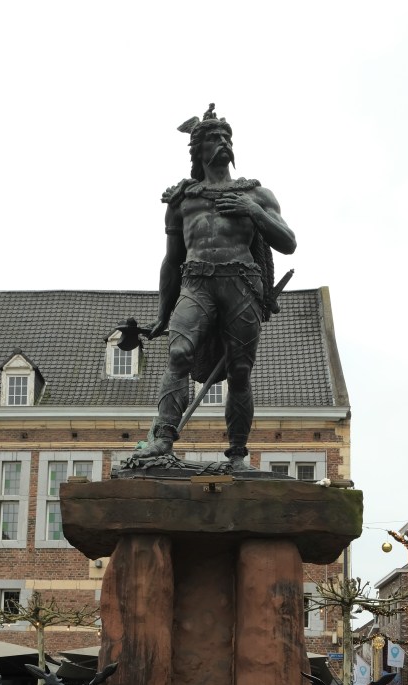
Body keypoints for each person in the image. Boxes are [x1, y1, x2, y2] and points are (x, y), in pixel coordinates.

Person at [133, 105, 297, 468]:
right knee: (178, 354)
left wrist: (253, 212)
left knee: (240, 371)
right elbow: (171, 260)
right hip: (196, 283)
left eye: (226, 137)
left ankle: (237, 454)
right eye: (213, 138)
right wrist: (162, 313)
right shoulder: (182, 200)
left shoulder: (256, 194)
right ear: (198, 150)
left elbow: (288, 242)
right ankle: (162, 439)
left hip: (241, 283)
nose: (223, 142)